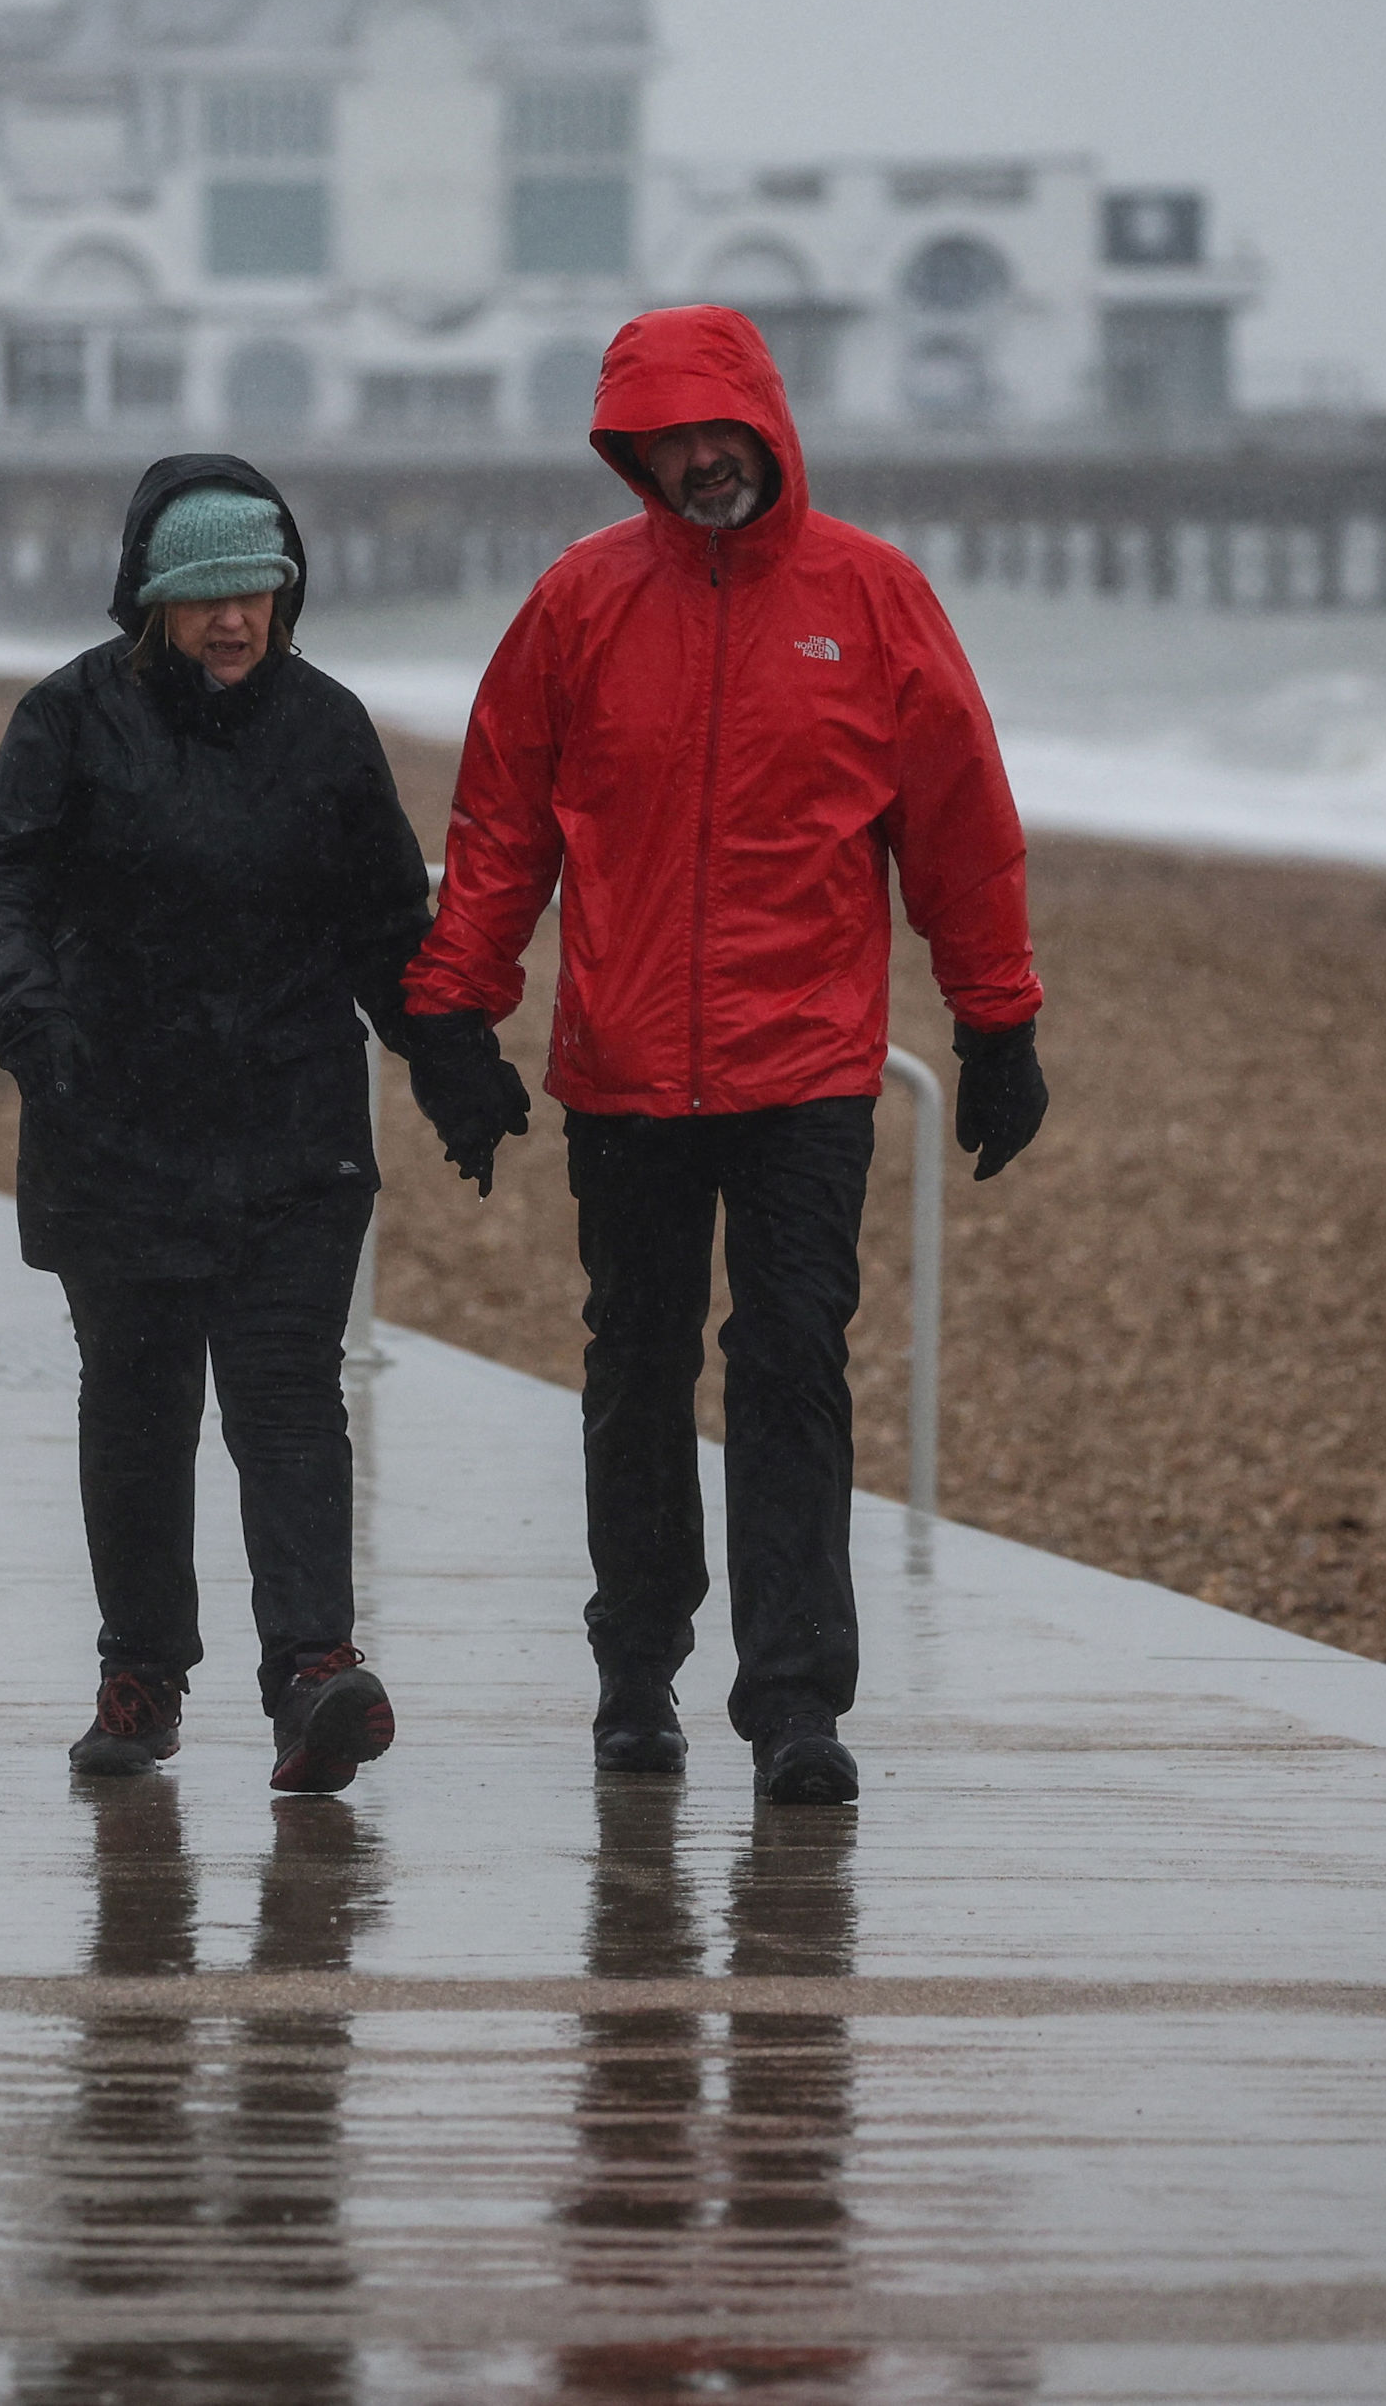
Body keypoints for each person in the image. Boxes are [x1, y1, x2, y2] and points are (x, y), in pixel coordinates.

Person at [400, 306, 1048, 1806]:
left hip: (807, 1065)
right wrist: (451, 1013)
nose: (695, 460)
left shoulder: (873, 599)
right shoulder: (576, 603)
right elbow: (500, 826)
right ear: (630, 451)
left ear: (766, 427)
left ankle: (796, 1704)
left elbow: (959, 827)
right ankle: (634, 1675)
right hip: (623, 1064)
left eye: (715, 432)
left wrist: (996, 1021)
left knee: (788, 1369)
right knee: (631, 1370)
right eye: (662, 440)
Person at [0, 455, 528, 1795]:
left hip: (289, 1124)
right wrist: (34, 1030)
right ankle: (140, 1678)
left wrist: (448, 1062)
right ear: (152, 602)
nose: (232, 618)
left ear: (285, 590)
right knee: (140, 1408)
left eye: (254, 590)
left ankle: (312, 1673)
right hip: (114, 1119)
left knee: (285, 1394)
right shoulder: (70, 719)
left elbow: (389, 929)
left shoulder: (324, 728)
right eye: (204, 595)